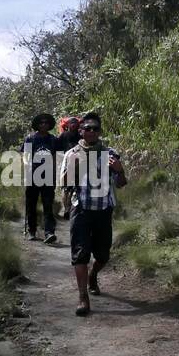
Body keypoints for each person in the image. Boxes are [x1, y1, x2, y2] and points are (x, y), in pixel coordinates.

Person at [58, 112, 127, 316]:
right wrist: (76, 168)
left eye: (95, 128)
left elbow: (121, 184)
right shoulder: (72, 154)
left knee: (103, 255)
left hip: (103, 210)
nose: (91, 131)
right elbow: (64, 184)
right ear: (81, 131)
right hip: (81, 209)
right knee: (80, 254)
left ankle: (93, 275)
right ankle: (82, 297)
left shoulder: (110, 154)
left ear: (100, 131)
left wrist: (120, 170)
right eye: (87, 128)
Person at [22, 113, 59, 243]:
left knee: (48, 205)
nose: (43, 125)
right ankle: (32, 231)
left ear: (49, 125)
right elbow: (25, 156)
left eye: (46, 123)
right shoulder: (30, 138)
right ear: (37, 125)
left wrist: (55, 173)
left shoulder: (53, 139)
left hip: (48, 176)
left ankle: (49, 232)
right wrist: (27, 169)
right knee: (31, 204)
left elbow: (55, 157)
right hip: (33, 175)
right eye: (41, 123)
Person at [55, 115, 81, 219]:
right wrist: (65, 157)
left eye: (75, 122)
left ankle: (73, 208)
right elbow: (57, 149)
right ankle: (66, 209)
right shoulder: (63, 136)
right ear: (67, 125)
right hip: (65, 163)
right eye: (71, 122)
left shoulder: (81, 136)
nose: (74, 124)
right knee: (65, 187)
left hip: (79, 164)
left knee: (76, 186)